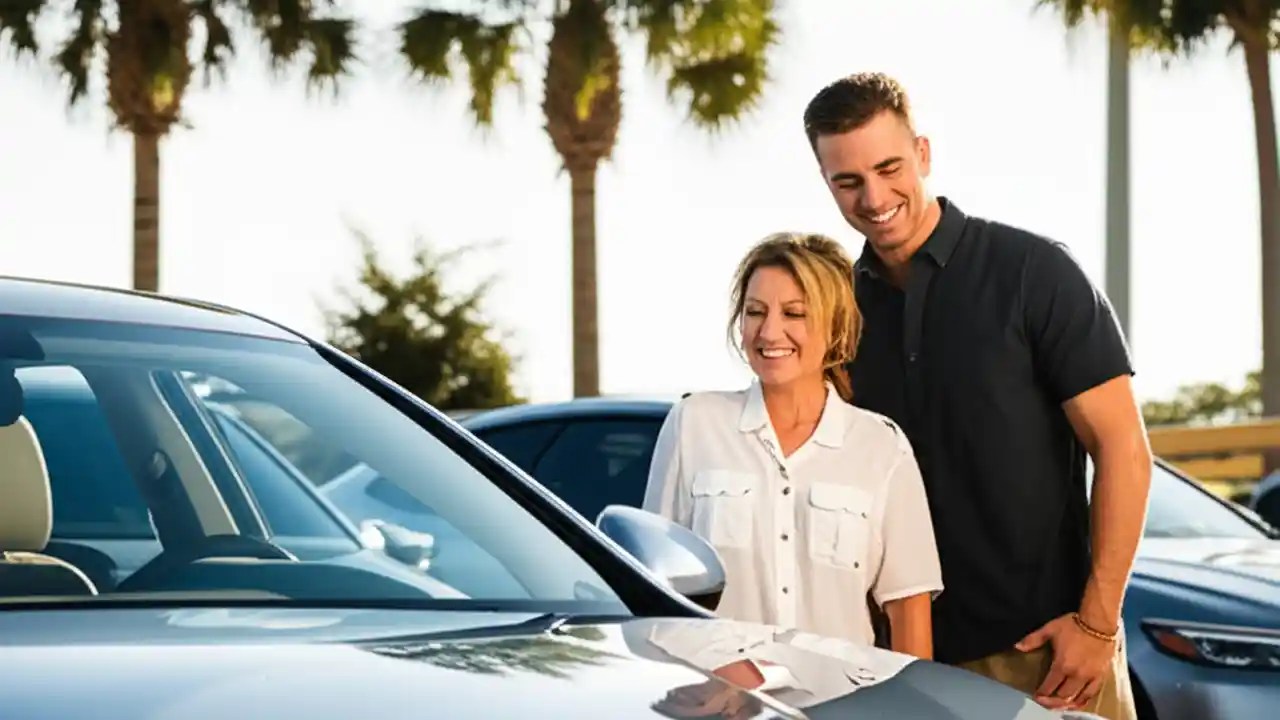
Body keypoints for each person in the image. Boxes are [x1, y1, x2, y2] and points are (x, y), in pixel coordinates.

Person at [800, 71, 1154, 719]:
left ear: (924, 154)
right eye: (847, 182)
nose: (874, 197)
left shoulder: (1034, 272)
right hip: (899, 665)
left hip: (1047, 656)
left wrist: (1097, 626)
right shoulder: (840, 313)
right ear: (826, 181)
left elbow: (1124, 449)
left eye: (889, 167)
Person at [642, 231, 943, 667]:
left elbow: (909, 611)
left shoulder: (881, 447)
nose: (769, 332)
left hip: (844, 706)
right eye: (755, 312)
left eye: (794, 313)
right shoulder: (694, 424)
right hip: (720, 707)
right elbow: (655, 590)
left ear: (835, 325)